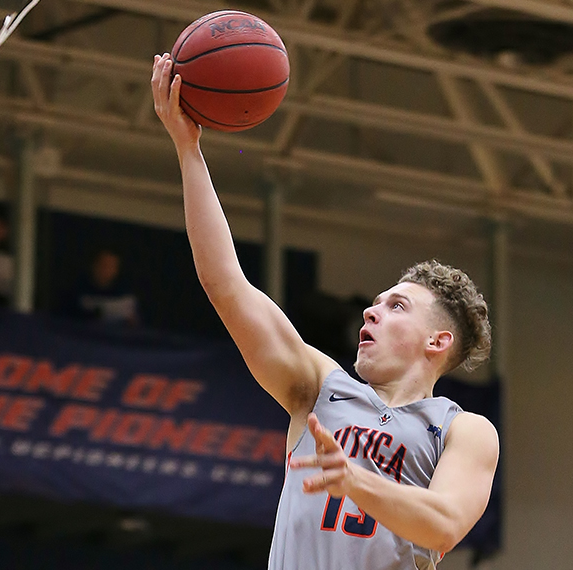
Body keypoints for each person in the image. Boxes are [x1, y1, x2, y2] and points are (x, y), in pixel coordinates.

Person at [151, 54, 498, 569]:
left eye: (396, 306)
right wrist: (188, 150)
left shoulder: (462, 430)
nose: (371, 312)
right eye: (375, 303)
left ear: (437, 341)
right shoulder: (319, 387)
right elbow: (225, 284)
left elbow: (445, 524)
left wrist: (356, 481)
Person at [66, 248, 139, 326]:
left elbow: (133, 319)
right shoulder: (78, 290)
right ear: (94, 266)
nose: (107, 270)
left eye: (112, 266)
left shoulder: (125, 292)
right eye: (104, 265)